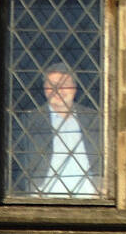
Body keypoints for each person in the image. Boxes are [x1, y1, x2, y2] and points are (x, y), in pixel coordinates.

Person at [11, 66, 101, 198]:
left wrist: (102, 186)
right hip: (42, 200)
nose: (58, 90)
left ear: (74, 88)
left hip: (90, 199)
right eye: (52, 85)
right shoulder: (28, 121)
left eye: (64, 84)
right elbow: (14, 164)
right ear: (45, 90)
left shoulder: (94, 119)